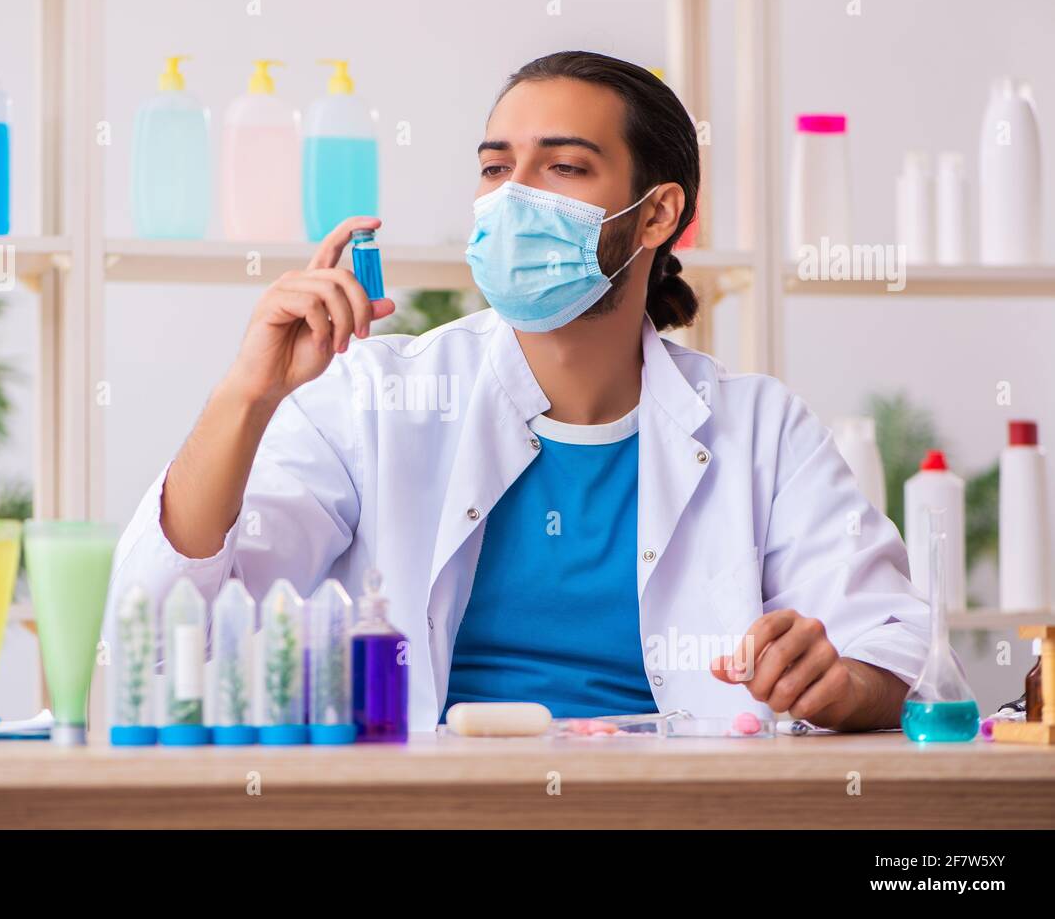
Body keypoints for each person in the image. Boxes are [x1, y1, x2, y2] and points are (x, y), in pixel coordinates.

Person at [111, 51, 929, 731]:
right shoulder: (377, 399)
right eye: (496, 167)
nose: (513, 196)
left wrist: (838, 681)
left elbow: (899, 650)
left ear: (656, 216)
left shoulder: (760, 427)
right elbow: (161, 631)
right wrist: (245, 395)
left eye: (564, 166)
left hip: (674, 813)